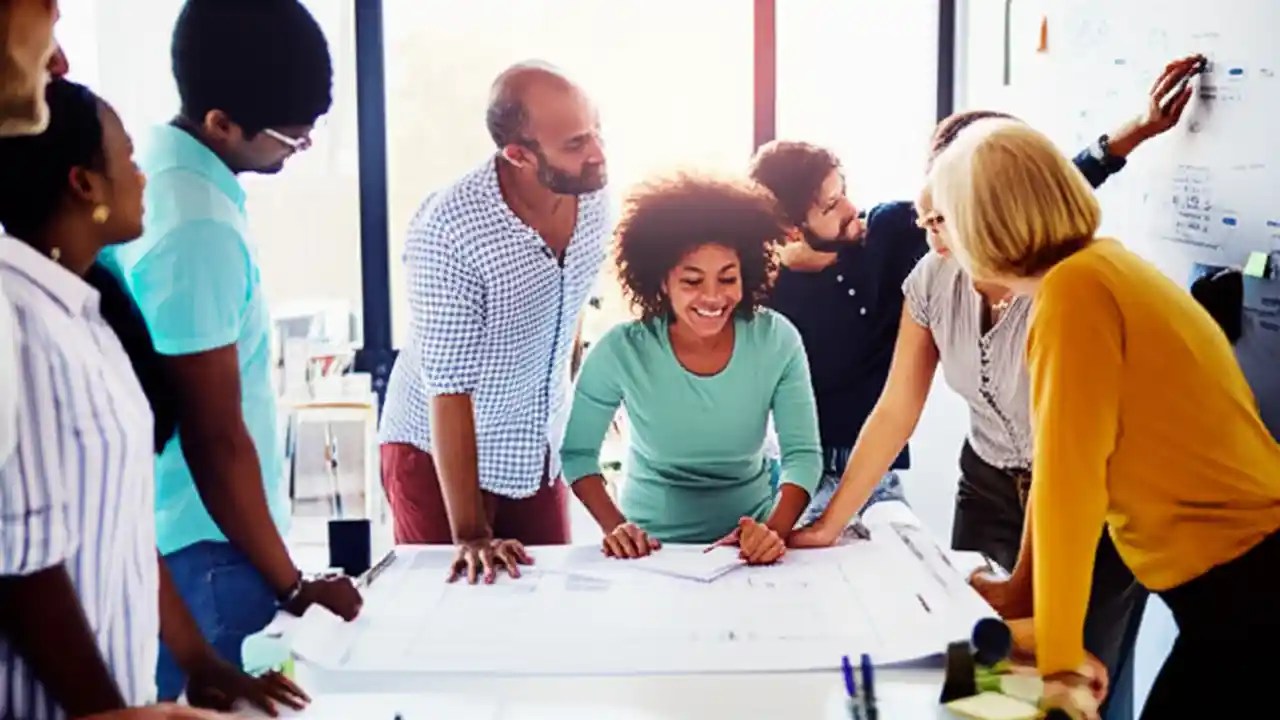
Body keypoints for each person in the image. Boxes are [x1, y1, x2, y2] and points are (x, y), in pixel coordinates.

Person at [788, 56, 1202, 719]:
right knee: (982, 689)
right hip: (985, 487)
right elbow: (896, 408)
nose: (930, 225)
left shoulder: (1069, 289)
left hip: (1085, 505)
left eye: (945, 212)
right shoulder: (932, 275)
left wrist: (1030, 595)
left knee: (1074, 688)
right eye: (931, 209)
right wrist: (830, 525)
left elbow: (1065, 470)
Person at [928, 117, 1280, 718]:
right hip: (1236, 582)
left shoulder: (1076, 293)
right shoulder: (1098, 270)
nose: (941, 240)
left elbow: (1071, 486)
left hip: (1247, 588)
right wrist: (1022, 592)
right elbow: (1058, 464)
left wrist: (1060, 662)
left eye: (945, 219)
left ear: (980, 224)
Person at [0, 79, 307, 720]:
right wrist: (113, 715)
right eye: (129, 160)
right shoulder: (18, 321)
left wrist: (199, 662)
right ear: (85, 184)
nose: (143, 179)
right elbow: (24, 567)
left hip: (120, 683)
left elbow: (125, 521)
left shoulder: (89, 309)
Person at [98, 0, 360, 700]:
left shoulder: (160, 163)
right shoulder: (197, 225)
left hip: (198, 539)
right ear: (220, 123)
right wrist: (293, 582)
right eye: (289, 138)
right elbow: (213, 434)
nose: (298, 149)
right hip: (205, 550)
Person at [378, 60, 611, 584]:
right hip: (441, 454)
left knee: (547, 610)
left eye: (596, 132)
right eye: (575, 144)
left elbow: (569, 308)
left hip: (534, 449)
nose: (597, 154)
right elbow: (449, 390)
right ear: (518, 154)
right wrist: (470, 533)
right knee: (456, 618)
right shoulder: (450, 230)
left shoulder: (593, 194)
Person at [559, 174, 822, 559]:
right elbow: (578, 453)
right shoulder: (621, 350)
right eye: (692, 281)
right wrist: (616, 527)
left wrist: (771, 532)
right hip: (649, 549)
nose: (713, 297)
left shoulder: (776, 339)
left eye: (727, 278)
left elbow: (803, 454)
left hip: (749, 547)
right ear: (661, 281)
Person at [747, 141, 922, 526]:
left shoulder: (889, 232)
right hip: (800, 483)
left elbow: (989, 209)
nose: (849, 209)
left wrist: (1091, 159)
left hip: (879, 480)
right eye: (830, 206)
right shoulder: (764, 296)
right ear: (791, 232)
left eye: (842, 192)